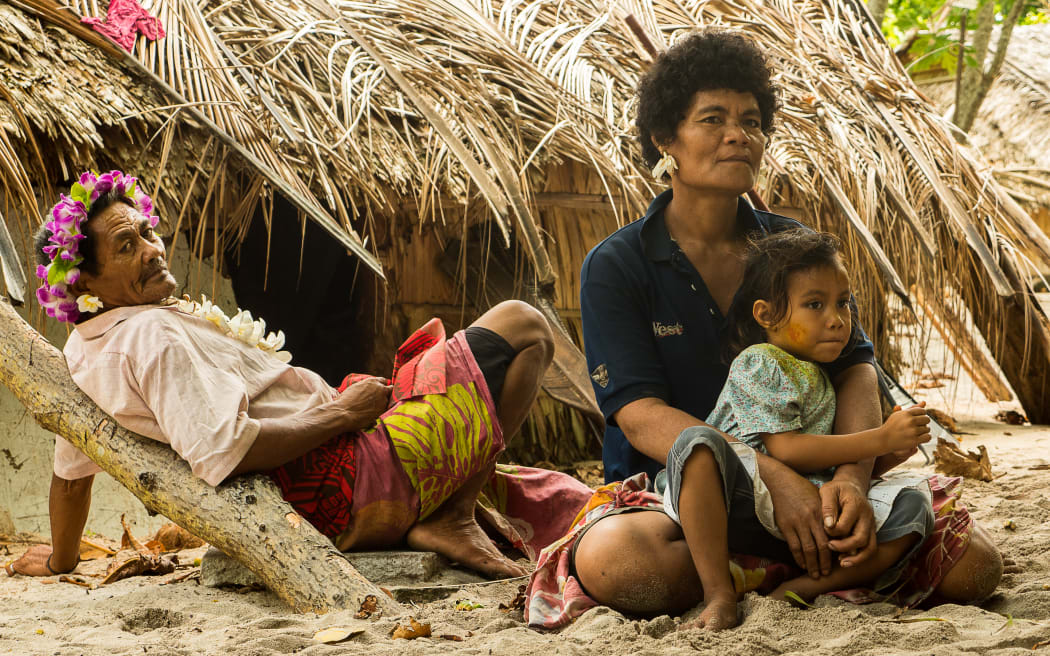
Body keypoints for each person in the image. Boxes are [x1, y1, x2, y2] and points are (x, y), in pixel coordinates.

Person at [527, 28, 1001, 631]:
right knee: (618, 564)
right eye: (714, 119)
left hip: (818, 483)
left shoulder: (790, 246)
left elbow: (856, 366)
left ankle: (779, 565)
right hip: (677, 496)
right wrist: (768, 473)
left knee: (976, 567)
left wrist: (852, 482)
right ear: (665, 137)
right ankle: (784, 568)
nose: (737, 135)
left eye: (751, 121)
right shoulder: (618, 266)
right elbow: (640, 413)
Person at [6, 170, 573, 580]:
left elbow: (71, 476)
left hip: (349, 468)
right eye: (127, 246)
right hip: (351, 478)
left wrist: (61, 560)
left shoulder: (86, 353)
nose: (154, 250)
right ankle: (451, 514)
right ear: (84, 288)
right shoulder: (151, 337)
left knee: (543, 496)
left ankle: (456, 507)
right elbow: (223, 448)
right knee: (524, 325)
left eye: (147, 232)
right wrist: (342, 414)